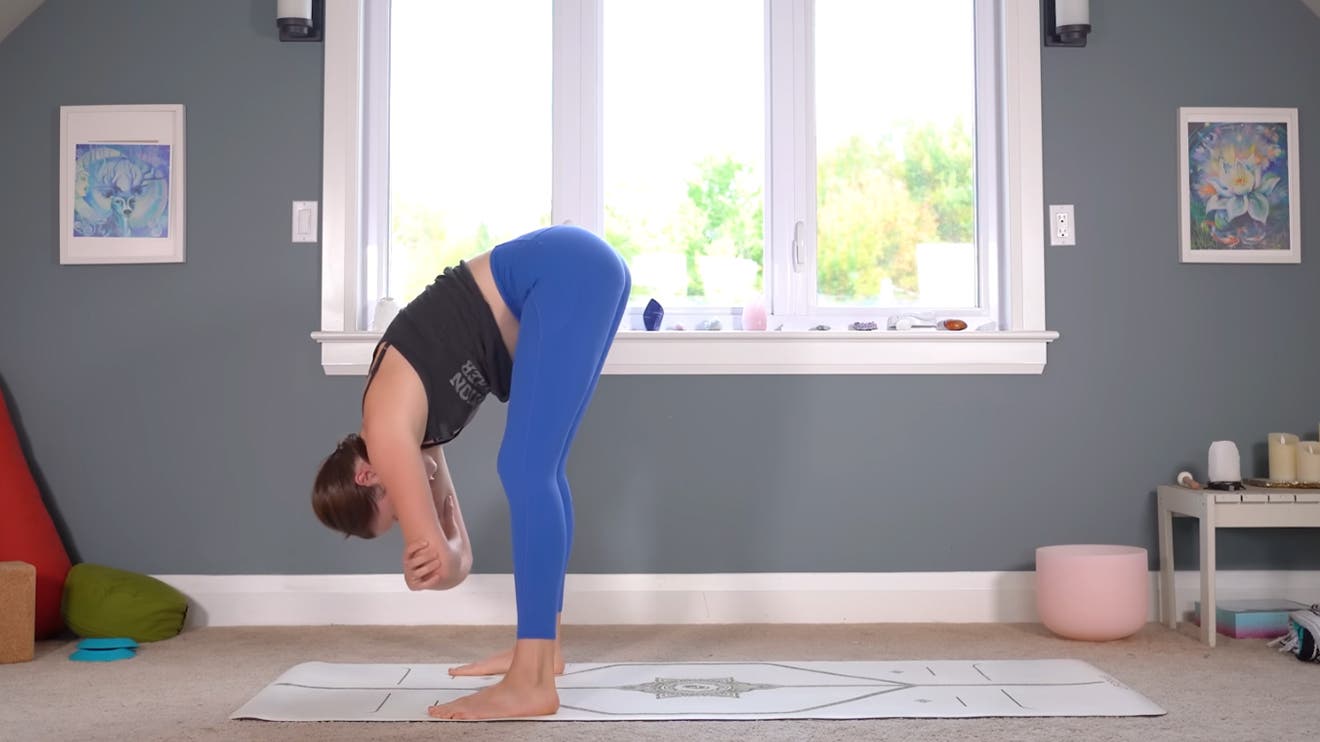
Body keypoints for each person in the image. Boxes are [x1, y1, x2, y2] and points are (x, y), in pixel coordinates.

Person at [311, 224, 631, 720]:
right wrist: (445, 563)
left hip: (564, 270)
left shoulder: (389, 433)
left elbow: (448, 558)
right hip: (580, 267)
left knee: (526, 470)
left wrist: (434, 569)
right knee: (540, 470)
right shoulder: (411, 433)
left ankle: (531, 680)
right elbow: (458, 555)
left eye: (391, 517)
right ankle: (544, 652)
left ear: (368, 479)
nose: (404, 519)